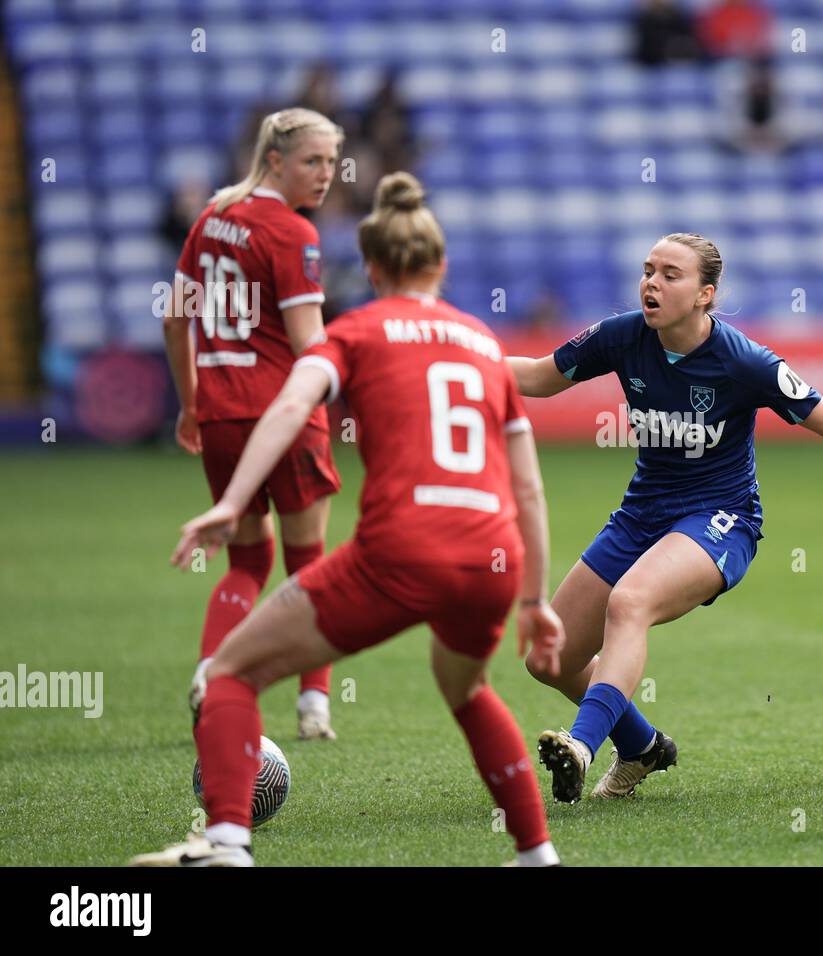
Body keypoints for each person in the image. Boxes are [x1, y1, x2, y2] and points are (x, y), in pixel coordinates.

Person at [132, 172, 565, 867]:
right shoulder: (484, 343)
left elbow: (288, 407)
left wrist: (231, 501)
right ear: (441, 263)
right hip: (492, 556)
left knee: (232, 674)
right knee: (469, 690)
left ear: (369, 266)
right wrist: (536, 600)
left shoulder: (356, 330)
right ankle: (536, 855)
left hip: (401, 551)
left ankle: (227, 846)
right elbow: (530, 487)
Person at [508, 233, 823, 804]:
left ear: (705, 294)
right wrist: (456, 357)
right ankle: (642, 747)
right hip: (641, 516)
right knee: (549, 657)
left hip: (720, 521)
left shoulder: (743, 360)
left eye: (670, 275)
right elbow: (536, 377)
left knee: (629, 603)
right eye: (648, 270)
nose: (651, 283)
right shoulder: (622, 336)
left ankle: (581, 748)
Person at [164, 107, 344, 740]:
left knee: (246, 560)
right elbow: (310, 345)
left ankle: (211, 671)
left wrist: (191, 403)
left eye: (330, 162)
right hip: (285, 415)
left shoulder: (211, 217)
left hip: (220, 415)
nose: (325, 175)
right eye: (312, 162)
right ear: (274, 161)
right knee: (309, 563)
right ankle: (313, 704)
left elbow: (173, 318)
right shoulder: (293, 233)